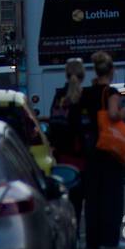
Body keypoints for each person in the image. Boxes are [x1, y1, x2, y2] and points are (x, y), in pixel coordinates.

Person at [80, 51, 125, 249]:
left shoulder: (86, 92)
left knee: (93, 198)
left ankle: (93, 240)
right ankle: (111, 239)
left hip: (90, 149)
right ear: (111, 71)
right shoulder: (111, 93)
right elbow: (112, 114)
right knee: (112, 197)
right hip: (108, 149)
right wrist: (123, 112)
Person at [49, 58, 86, 223]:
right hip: (79, 154)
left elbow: (52, 122)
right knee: (81, 199)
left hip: (62, 154)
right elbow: (82, 126)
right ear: (82, 74)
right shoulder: (82, 97)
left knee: (66, 199)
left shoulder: (59, 96)